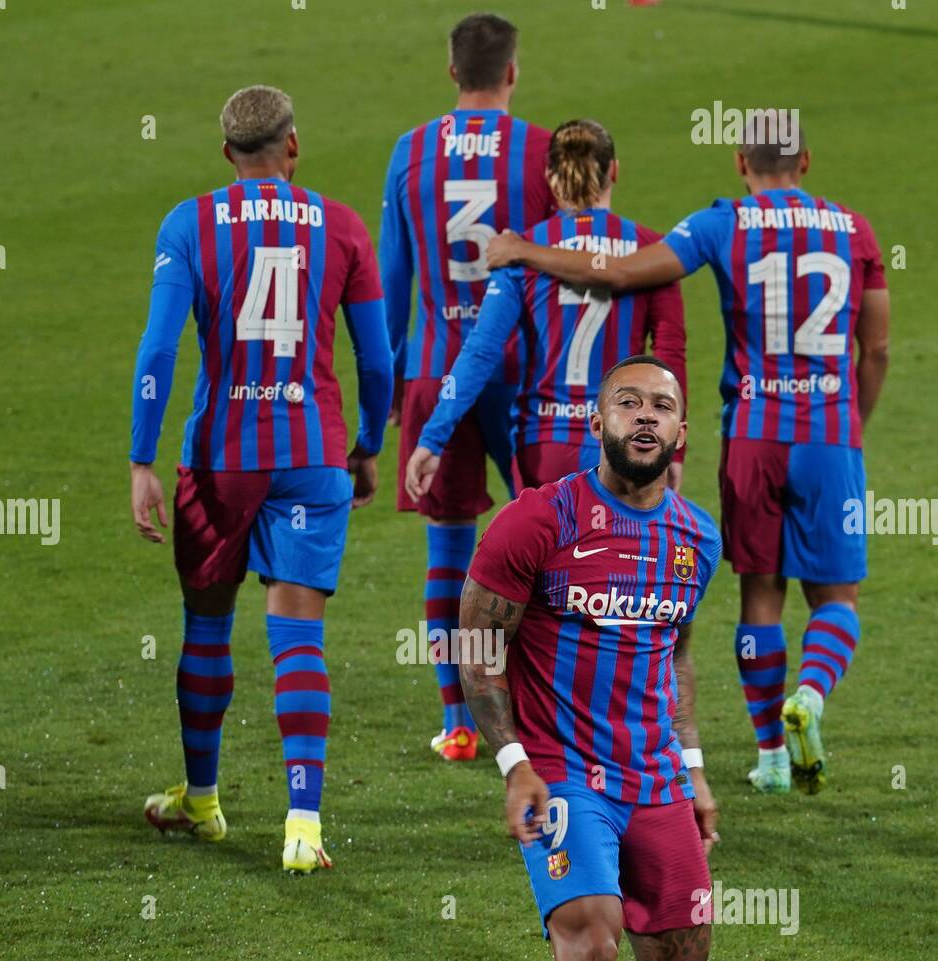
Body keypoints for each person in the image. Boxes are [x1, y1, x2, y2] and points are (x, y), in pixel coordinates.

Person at [487, 123, 889, 793]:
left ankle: (767, 759)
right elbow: (873, 350)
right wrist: (851, 423)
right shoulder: (854, 228)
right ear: (806, 161)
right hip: (828, 433)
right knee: (836, 596)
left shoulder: (720, 222)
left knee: (759, 590)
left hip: (754, 432)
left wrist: (523, 249)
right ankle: (810, 696)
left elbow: (614, 272)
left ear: (739, 163)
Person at [458, 356, 721, 961]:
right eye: (627, 403)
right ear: (597, 421)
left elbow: (674, 652)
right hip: (563, 775)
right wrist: (511, 762)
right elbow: (476, 645)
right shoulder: (536, 521)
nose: (644, 418)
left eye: (661, 407)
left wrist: (690, 767)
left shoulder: (695, 538)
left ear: (679, 434)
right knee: (591, 948)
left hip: (653, 781)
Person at [129, 85, 391, 872]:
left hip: (219, 461)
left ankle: (203, 802)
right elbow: (377, 359)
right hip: (313, 457)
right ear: (294, 145)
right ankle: (302, 826)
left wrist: (143, 459)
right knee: (298, 635)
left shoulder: (189, 223)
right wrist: (368, 444)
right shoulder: (342, 226)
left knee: (206, 626)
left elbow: (158, 352)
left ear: (227, 156)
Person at [379, 12, 552, 762]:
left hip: (429, 367)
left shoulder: (410, 150)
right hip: (522, 374)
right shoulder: (543, 150)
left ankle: (456, 721)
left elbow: (390, 284)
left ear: (452, 72)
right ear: (512, 71)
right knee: (547, 543)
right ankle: (542, 706)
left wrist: (386, 393)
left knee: (446, 551)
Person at [405, 119, 686, 508]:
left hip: (544, 445)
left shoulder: (519, 252)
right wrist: (674, 447)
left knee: (546, 567)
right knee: (617, 564)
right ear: (615, 171)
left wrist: (433, 436)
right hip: (622, 443)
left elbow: (481, 351)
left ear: (550, 178)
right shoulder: (652, 252)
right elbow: (671, 355)